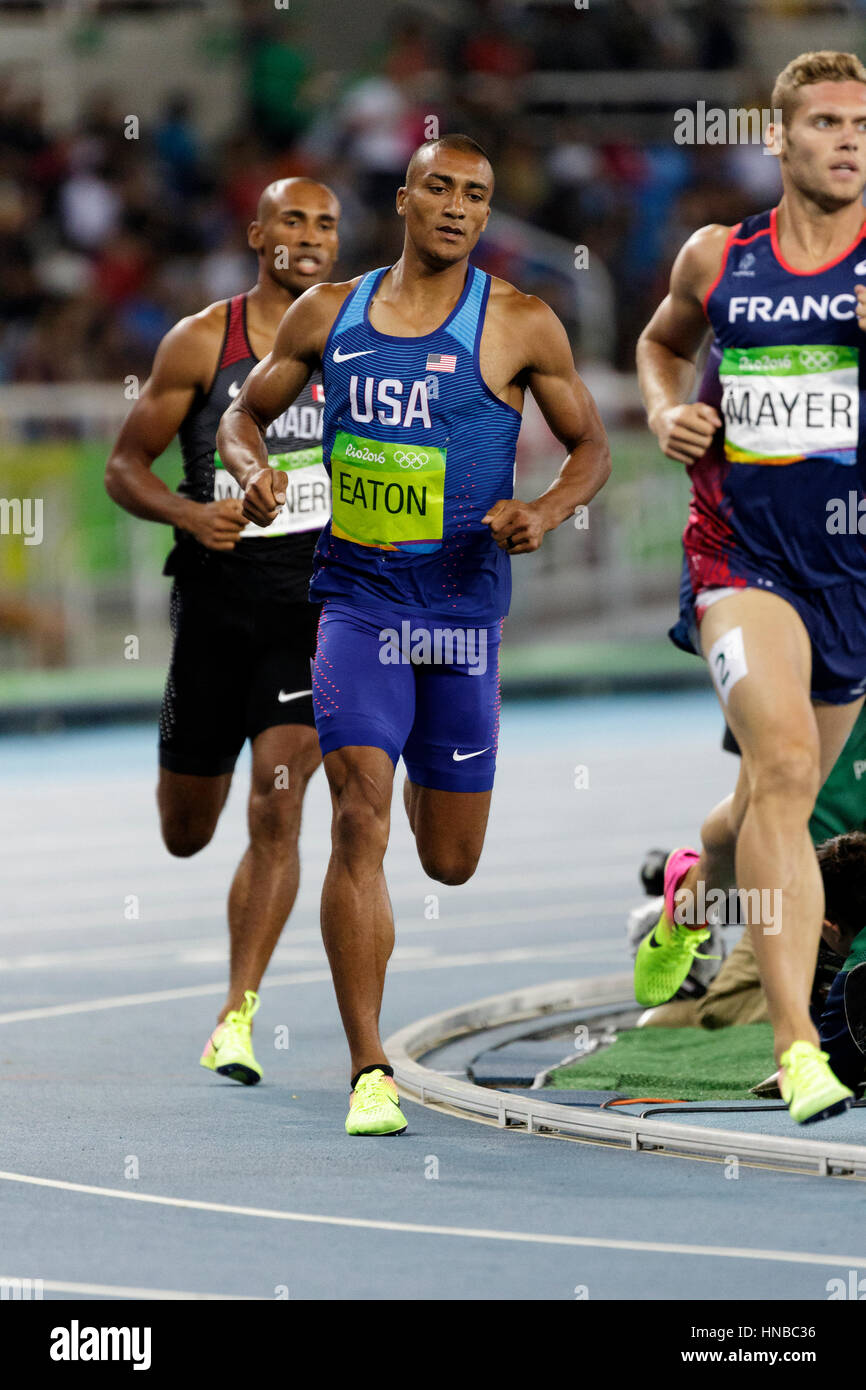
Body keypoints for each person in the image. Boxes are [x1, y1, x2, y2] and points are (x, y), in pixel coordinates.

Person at [217, 134, 611, 1134]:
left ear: (484, 215)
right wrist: (251, 467)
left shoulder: (519, 322)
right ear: (404, 197)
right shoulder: (329, 311)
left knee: (448, 859)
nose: (456, 207)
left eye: (476, 196)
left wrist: (545, 511)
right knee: (357, 813)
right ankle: (368, 1068)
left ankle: (442, 795)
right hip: (356, 605)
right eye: (439, 187)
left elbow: (590, 447)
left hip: (460, 619)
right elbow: (242, 412)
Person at [633, 50, 866, 1123]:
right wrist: (662, 409)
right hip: (739, 558)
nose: (848, 139)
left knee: (769, 807)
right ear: (779, 140)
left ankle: (686, 893)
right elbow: (657, 343)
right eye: (823, 122)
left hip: (848, 572)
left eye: (859, 124)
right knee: (779, 765)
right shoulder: (717, 255)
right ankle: (797, 1046)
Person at [105, 178, 340, 1085]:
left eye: (325, 222)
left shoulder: (356, 338)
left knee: (278, 806)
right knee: (186, 832)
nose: (310, 235)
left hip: (315, 611)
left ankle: (235, 1015)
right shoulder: (205, 339)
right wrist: (187, 514)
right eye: (292, 219)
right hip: (213, 606)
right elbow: (126, 464)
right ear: (258, 234)